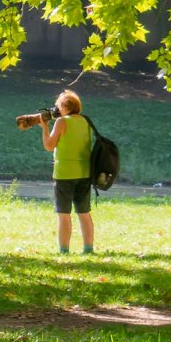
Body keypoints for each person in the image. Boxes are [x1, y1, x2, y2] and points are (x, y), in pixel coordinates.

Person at [41, 89, 94, 254]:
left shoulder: (61, 122)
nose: (57, 110)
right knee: (84, 213)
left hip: (64, 174)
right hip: (84, 173)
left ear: (64, 106)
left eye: (58, 106)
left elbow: (49, 146)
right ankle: (88, 249)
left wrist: (44, 127)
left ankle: (64, 250)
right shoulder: (86, 121)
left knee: (63, 214)